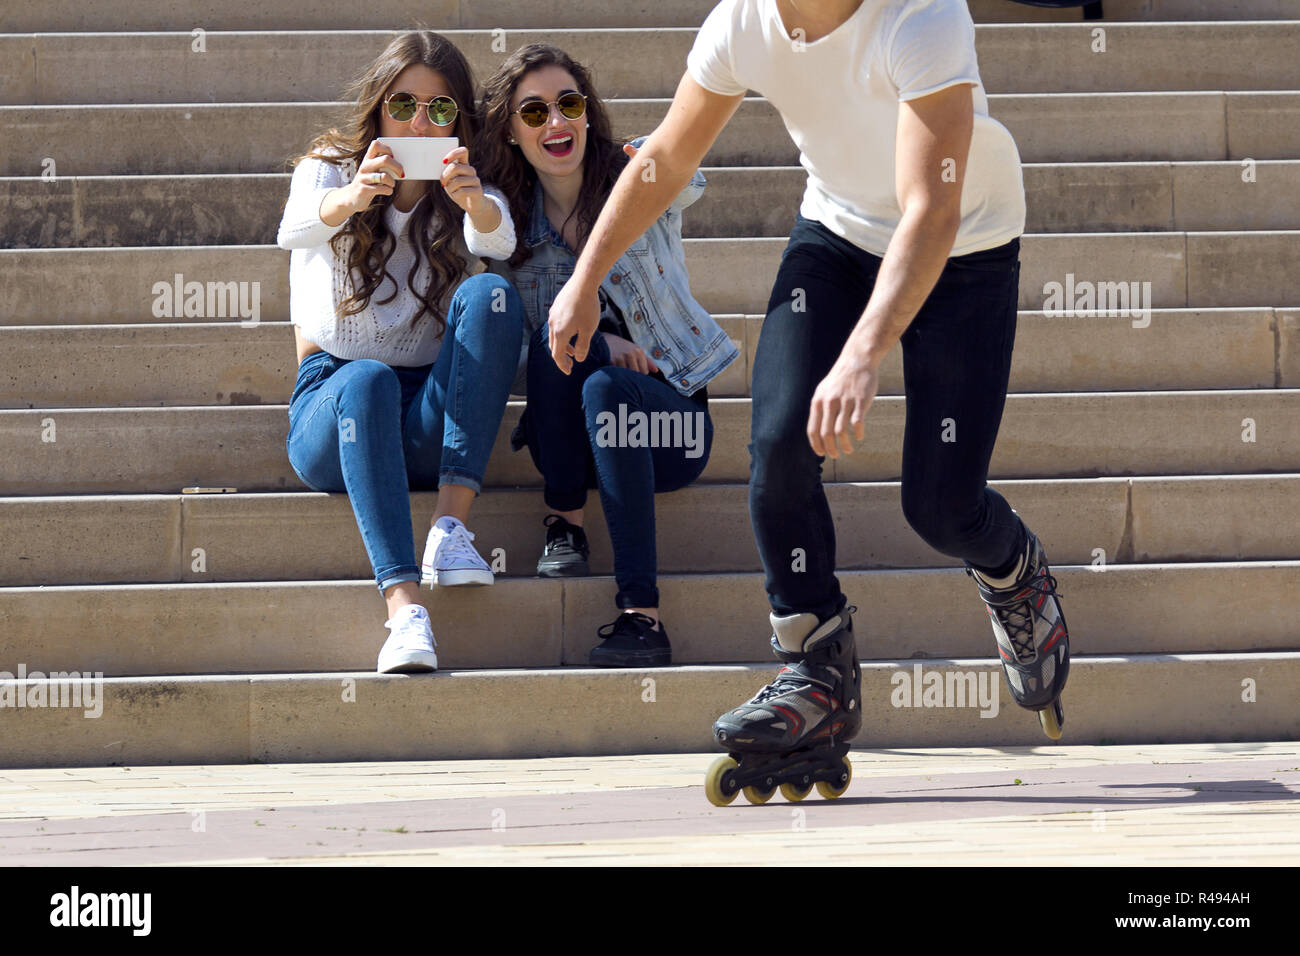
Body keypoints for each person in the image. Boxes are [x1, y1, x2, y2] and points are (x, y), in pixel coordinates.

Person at [545, 0, 1072, 767]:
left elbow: (931, 207)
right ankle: (816, 667)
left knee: (941, 506)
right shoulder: (742, 22)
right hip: (837, 234)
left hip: (964, 245)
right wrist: (585, 277)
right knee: (779, 443)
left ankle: (1014, 571)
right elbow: (665, 157)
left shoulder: (922, 17)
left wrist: (861, 355)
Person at [475, 44, 739, 667]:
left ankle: (640, 616)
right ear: (512, 133)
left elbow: (688, 171)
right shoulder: (509, 236)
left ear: (589, 113)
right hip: (567, 436)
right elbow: (511, 360)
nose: (555, 122)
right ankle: (565, 520)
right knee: (569, 355)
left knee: (607, 391)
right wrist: (597, 345)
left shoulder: (636, 177)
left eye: (568, 104)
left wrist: (647, 164)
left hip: (668, 429)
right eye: (533, 112)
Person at [276, 31, 524, 674]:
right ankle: (405, 611)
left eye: (440, 110)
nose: (419, 121)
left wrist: (473, 202)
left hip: (424, 418)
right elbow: (291, 230)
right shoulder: (330, 166)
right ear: (380, 105)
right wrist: (356, 196)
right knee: (366, 381)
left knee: (493, 295)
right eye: (404, 104)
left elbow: (498, 239)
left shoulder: (467, 185)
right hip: (335, 410)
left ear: (458, 123)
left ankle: (449, 529)